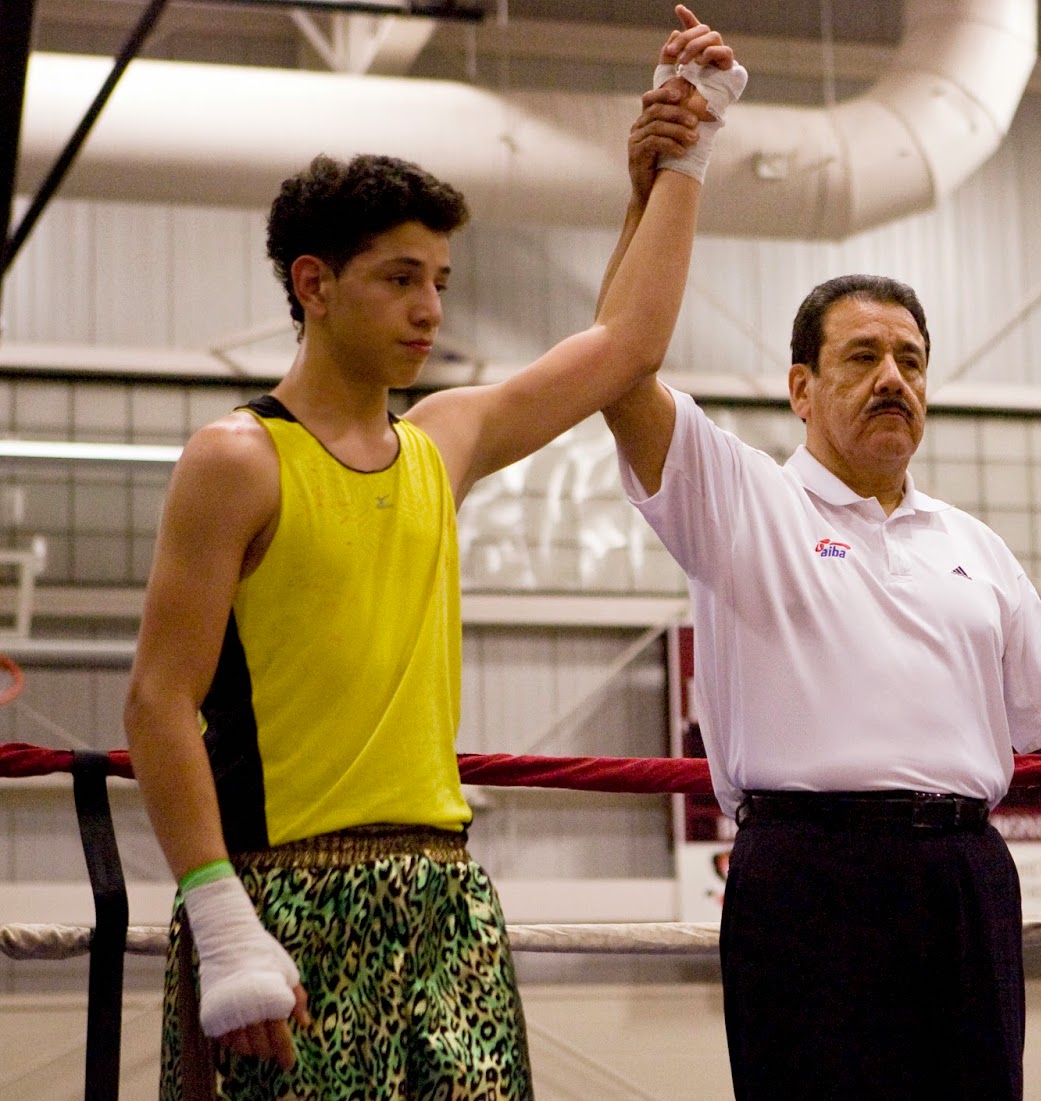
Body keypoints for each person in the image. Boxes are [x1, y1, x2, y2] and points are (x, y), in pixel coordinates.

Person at [122, 8, 744, 1097]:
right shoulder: (238, 459)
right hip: (282, 898)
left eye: (441, 281)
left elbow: (626, 349)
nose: (428, 309)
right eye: (400, 279)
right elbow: (157, 703)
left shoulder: (442, 439)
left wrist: (680, 158)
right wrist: (218, 915)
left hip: (443, 891)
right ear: (314, 285)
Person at [598, 271, 1041, 1100]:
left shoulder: (973, 544)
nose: (892, 379)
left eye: (911, 360)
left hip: (962, 877)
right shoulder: (743, 499)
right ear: (801, 387)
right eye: (863, 356)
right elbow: (619, 370)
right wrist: (660, 185)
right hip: (806, 878)